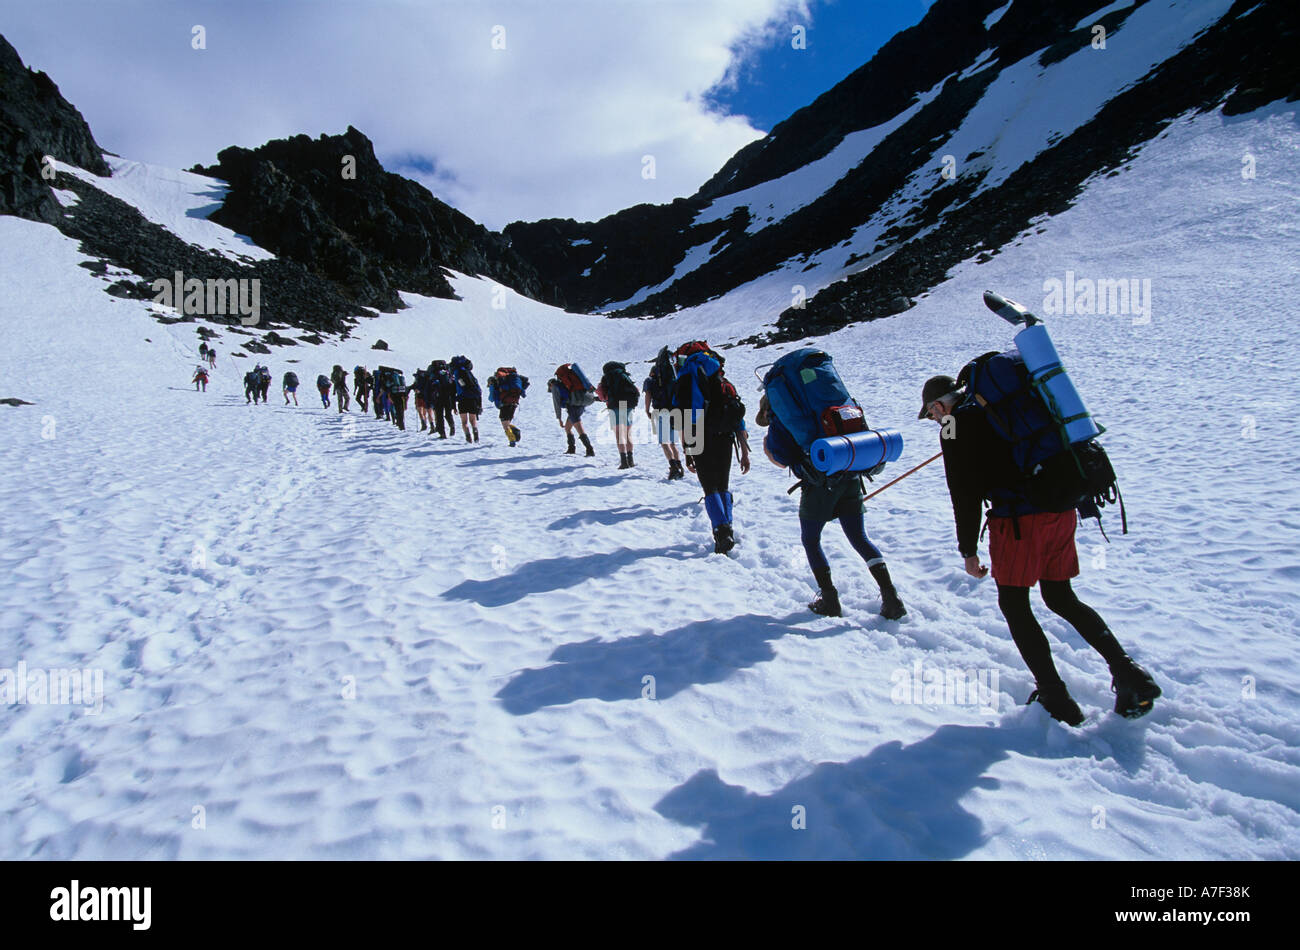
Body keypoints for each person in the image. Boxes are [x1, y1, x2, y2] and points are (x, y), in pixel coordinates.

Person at [920, 373, 1160, 724]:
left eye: (931, 414)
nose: (935, 421)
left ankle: (1054, 695)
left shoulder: (954, 425)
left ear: (939, 405)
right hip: (1060, 511)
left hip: (1019, 522)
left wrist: (968, 549)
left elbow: (964, 494)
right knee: (1061, 597)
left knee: (1014, 604)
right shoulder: (998, 406)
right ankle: (1130, 675)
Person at [757, 392, 904, 620]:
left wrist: (768, 452)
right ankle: (891, 597)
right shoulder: (824, 406)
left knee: (811, 540)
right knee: (860, 538)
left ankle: (830, 599)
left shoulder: (784, 418)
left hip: (819, 486)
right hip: (850, 473)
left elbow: (783, 458)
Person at [672, 342, 750, 553]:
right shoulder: (723, 379)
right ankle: (728, 527)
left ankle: (721, 532)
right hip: (726, 436)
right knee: (722, 484)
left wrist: (687, 450)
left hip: (698, 436)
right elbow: (738, 417)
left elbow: (682, 418)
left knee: (709, 486)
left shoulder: (685, 378)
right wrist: (744, 451)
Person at [644, 347, 684, 480]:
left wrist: (647, 410)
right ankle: (680, 466)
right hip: (675, 410)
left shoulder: (650, 381)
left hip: (661, 411)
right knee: (673, 442)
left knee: (664, 442)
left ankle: (673, 468)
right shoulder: (674, 375)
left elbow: (648, 395)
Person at [597, 361, 640, 469]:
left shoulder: (606, 378)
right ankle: (631, 460)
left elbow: (602, 396)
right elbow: (636, 391)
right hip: (628, 405)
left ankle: (624, 461)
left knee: (619, 435)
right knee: (627, 433)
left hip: (615, 406)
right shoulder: (625, 376)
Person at [550, 364, 595, 456]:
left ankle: (589, 449)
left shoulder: (555, 386)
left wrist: (559, 418)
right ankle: (571, 448)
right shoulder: (571, 380)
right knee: (567, 428)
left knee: (579, 427)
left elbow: (556, 403)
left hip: (573, 405)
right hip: (581, 403)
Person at [487, 367, 528, 446]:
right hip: (514, 402)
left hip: (505, 404)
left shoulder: (498, 384)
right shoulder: (511, 381)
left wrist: (492, 387)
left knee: (504, 424)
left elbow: (491, 398)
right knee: (507, 422)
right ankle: (514, 432)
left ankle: (512, 441)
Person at [450, 356, 481, 443]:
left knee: (464, 422)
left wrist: (453, 406)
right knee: (473, 420)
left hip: (462, 399)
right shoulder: (468, 373)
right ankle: (475, 432)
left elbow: (456, 389)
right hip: (472, 399)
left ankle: (468, 437)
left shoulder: (457, 374)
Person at [428, 360, 457, 439]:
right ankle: (452, 426)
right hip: (448, 396)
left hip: (438, 397)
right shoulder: (447, 373)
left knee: (439, 415)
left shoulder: (434, 373)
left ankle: (442, 433)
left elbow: (431, 386)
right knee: (448, 413)